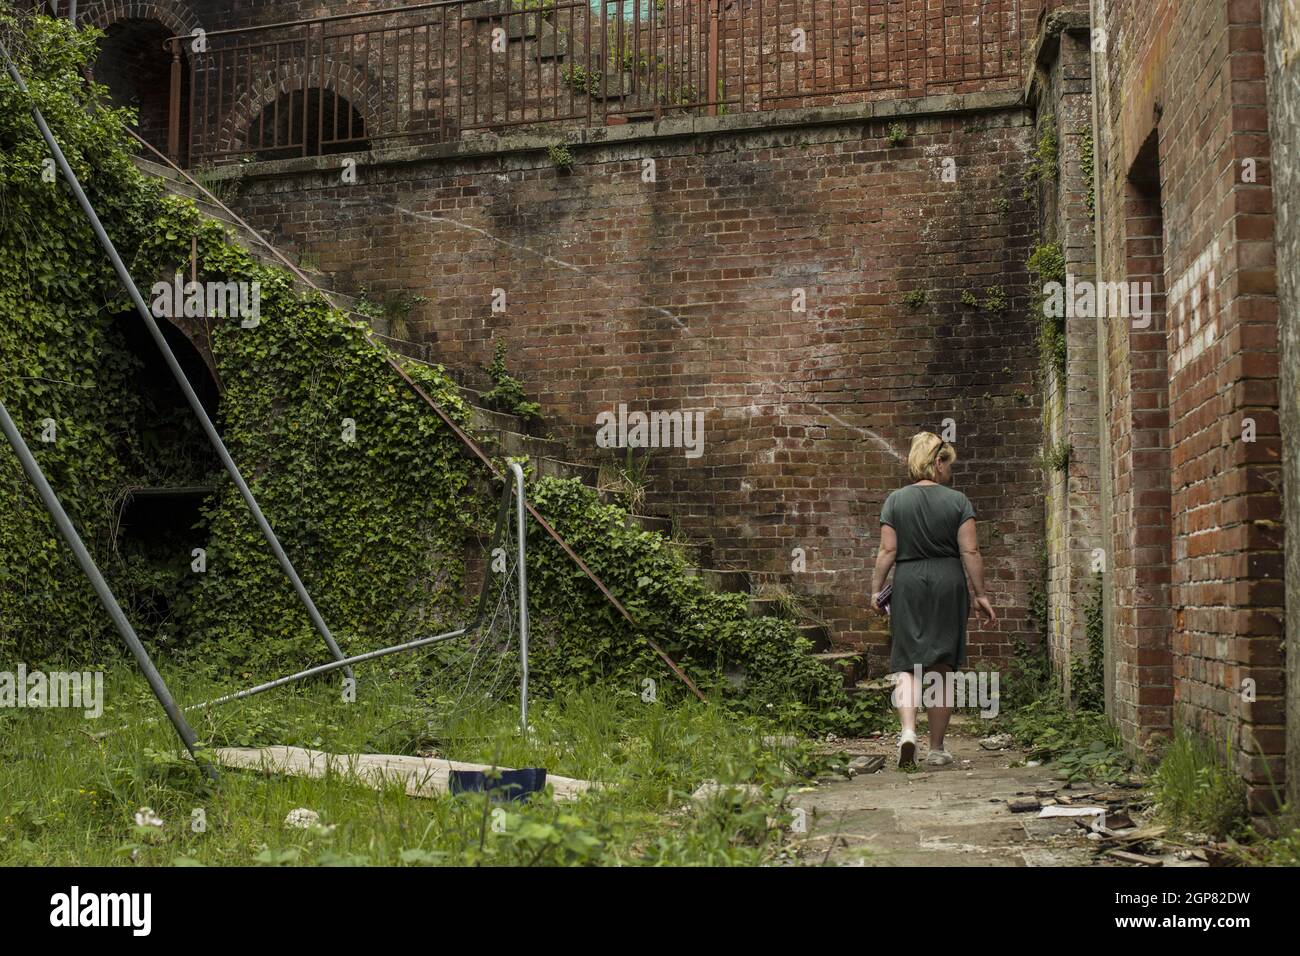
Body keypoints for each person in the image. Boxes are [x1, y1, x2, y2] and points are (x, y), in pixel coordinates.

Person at [871, 432, 996, 768]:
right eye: (948, 464)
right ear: (937, 462)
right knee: (942, 667)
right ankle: (937, 749)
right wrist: (981, 594)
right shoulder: (958, 502)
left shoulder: (895, 501)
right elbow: (970, 550)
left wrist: (876, 589)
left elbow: (888, 550)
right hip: (947, 580)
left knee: (907, 665)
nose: (950, 472)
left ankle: (908, 731)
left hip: (909, 580)